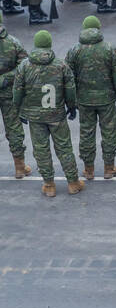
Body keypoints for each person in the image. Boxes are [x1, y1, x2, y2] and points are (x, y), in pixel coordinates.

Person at [14, 29, 81, 197]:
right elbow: (70, 89)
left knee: (41, 150)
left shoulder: (24, 66)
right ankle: (73, 183)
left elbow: (17, 91)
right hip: (56, 115)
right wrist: (71, 107)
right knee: (64, 148)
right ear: (49, 44)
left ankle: (49, 184)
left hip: (35, 117)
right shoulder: (61, 65)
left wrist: (19, 110)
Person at [65, 14, 116, 182]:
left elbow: (68, 78)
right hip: (106, 99)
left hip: (84, 100)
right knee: (109, 133)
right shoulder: (110, 48)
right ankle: (109, 168)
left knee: (86, 133)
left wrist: (71, 102)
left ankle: (88, 169)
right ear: (98, 28)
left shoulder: (74, 50)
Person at [0, 10, 30, 179]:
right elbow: (23, 66)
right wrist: (6, 78)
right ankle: (20, 167)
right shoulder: (13, 42)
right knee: (14, 129)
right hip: (8, 93)